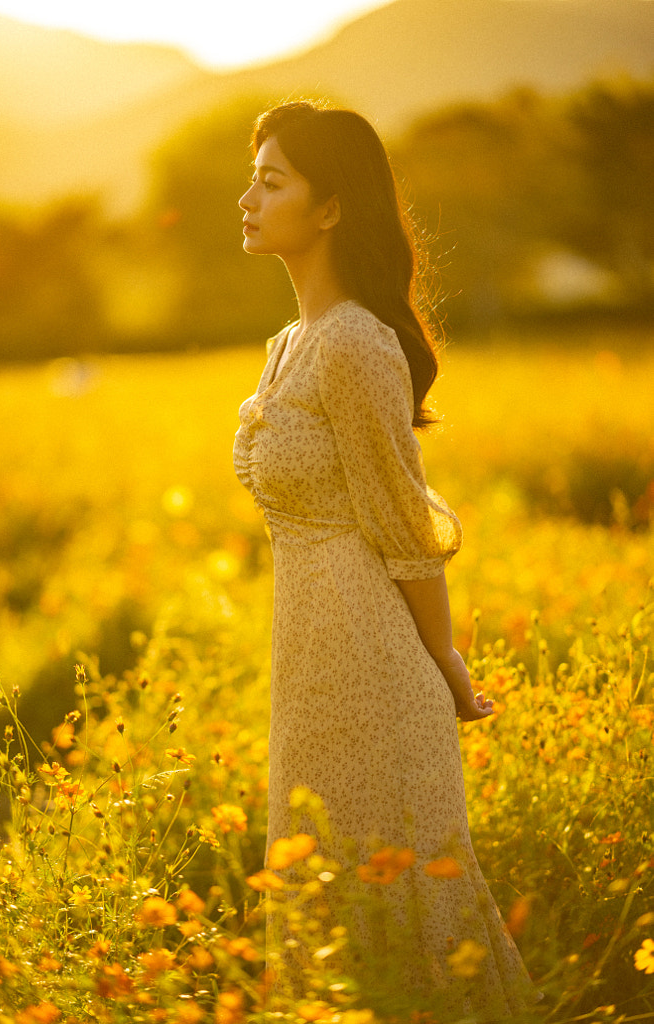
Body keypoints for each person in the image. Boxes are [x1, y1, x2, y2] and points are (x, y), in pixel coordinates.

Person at [233, 100, 536, 1017]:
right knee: (328, 900)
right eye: (252, 175)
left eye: (272, 179)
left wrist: (441, 660)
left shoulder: (358, 344)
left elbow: (404, 528)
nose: (246, 197)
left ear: (330, 208)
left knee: (396, 905)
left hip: (371, 666)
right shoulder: (291, 345)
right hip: (311, 663)